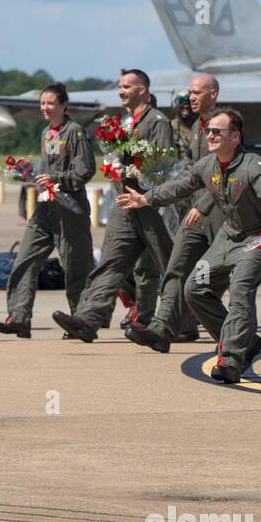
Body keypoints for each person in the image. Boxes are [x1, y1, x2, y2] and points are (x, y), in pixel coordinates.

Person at [121, 108, 261, 383]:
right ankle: (247, 341)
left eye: (217, 132)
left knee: (240, 290)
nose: (209, 135)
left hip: (256, 239)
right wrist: (146, 199)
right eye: (208, 131)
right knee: (195, 288)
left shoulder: (253, 166)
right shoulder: (207, 165)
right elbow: (180, 186)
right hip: (227, 238)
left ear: (235, 136)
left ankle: (231, 360)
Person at [53, 69, 174, 342]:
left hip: (150, 205)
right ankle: (87, 320)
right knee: (110, 263)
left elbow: (164, 167)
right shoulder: (124, 123)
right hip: (124, 204)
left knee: (171, 264)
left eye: (127, 87)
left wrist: (138, 177)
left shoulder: (157, 122)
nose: (121, 91)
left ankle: (186, 320)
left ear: (142, 90)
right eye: (120, 87)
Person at [125, 73, 222, 348]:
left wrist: (202, 206)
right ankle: (161, 329)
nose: (191, 98)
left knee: (216, 283)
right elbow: (193, 177)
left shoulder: (224, 126)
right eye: (189, 92)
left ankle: (236, 338)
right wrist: (151, 198)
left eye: (197, 92)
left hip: (222, 215)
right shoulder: (197, 130)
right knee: (177, 269)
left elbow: (224, 173)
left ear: (213, 94)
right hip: (195, 214)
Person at [0, 82, 95, 338]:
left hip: (70, 209)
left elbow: (85, 171)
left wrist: (56, 178)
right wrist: (28, 174)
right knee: (24, 259)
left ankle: (80, 322)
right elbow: (45, 168)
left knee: (75, 267)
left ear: (64, 105)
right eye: (42, 104)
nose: (46, 108)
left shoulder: (75, 133)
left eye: (51, 103)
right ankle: (19, 318)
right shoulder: (47, 133)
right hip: (45, 209)